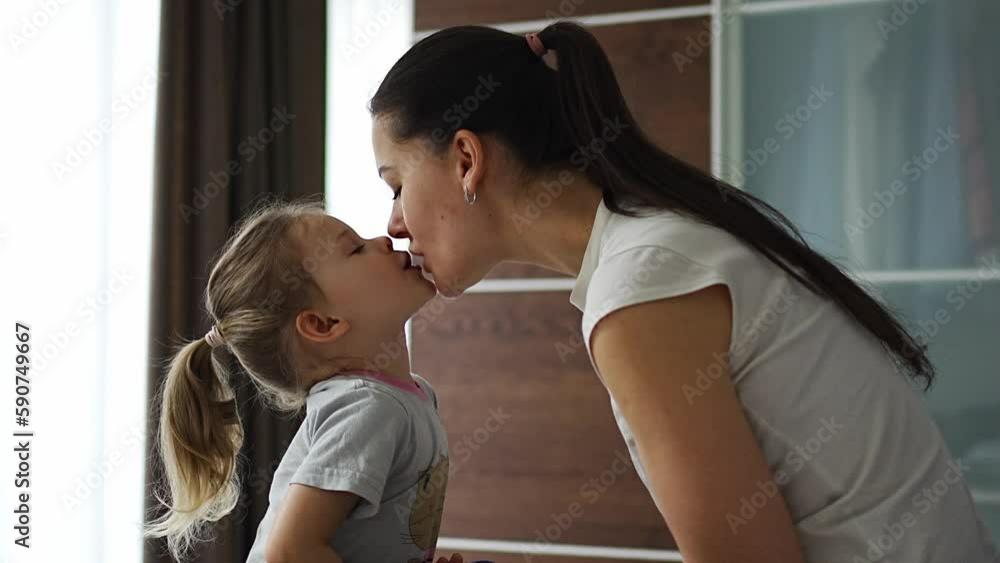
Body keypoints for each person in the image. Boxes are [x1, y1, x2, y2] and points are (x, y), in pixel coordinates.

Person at [367, 21, 999, 562]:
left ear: (467, 159)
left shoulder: (641, 287)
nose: (393, 225)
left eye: (396, 185)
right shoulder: (656, 245)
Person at [144, 198, 464, 563]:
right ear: (323, 324)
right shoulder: (369, 409)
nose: (384, 240)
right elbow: (289, 552)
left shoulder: (410, 397)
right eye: (357, 249)